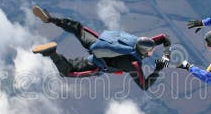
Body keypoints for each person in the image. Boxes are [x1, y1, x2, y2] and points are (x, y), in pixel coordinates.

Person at [30, 5, 171, 91]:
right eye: (151, 51)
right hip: (96, 64)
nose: (153, 52)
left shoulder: (137, 43)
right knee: (68, 71)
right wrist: (158, 69)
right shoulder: (134, 64)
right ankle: (52, 53)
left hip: (99, 43)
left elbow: (164, 37)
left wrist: (166, 52)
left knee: (78, 29)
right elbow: (144, 86)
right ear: (144, 52)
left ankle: (51, 19)